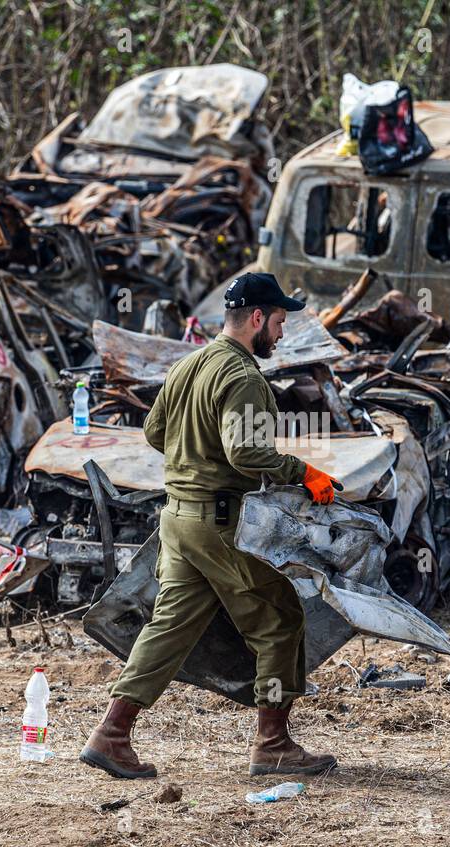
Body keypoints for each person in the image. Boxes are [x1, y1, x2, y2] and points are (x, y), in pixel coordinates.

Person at [79, 273, 340, 779]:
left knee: (170, 627)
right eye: (281, 322)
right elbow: (247, 454)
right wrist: (303, 473)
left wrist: (193, 458)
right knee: (281, 618)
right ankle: (273, 743)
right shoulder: (243, 377)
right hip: (221, 523)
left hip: (178, 520)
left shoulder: (190, 364)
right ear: (258, 318)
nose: (282, 335)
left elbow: (155, 432)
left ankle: (111, 735)